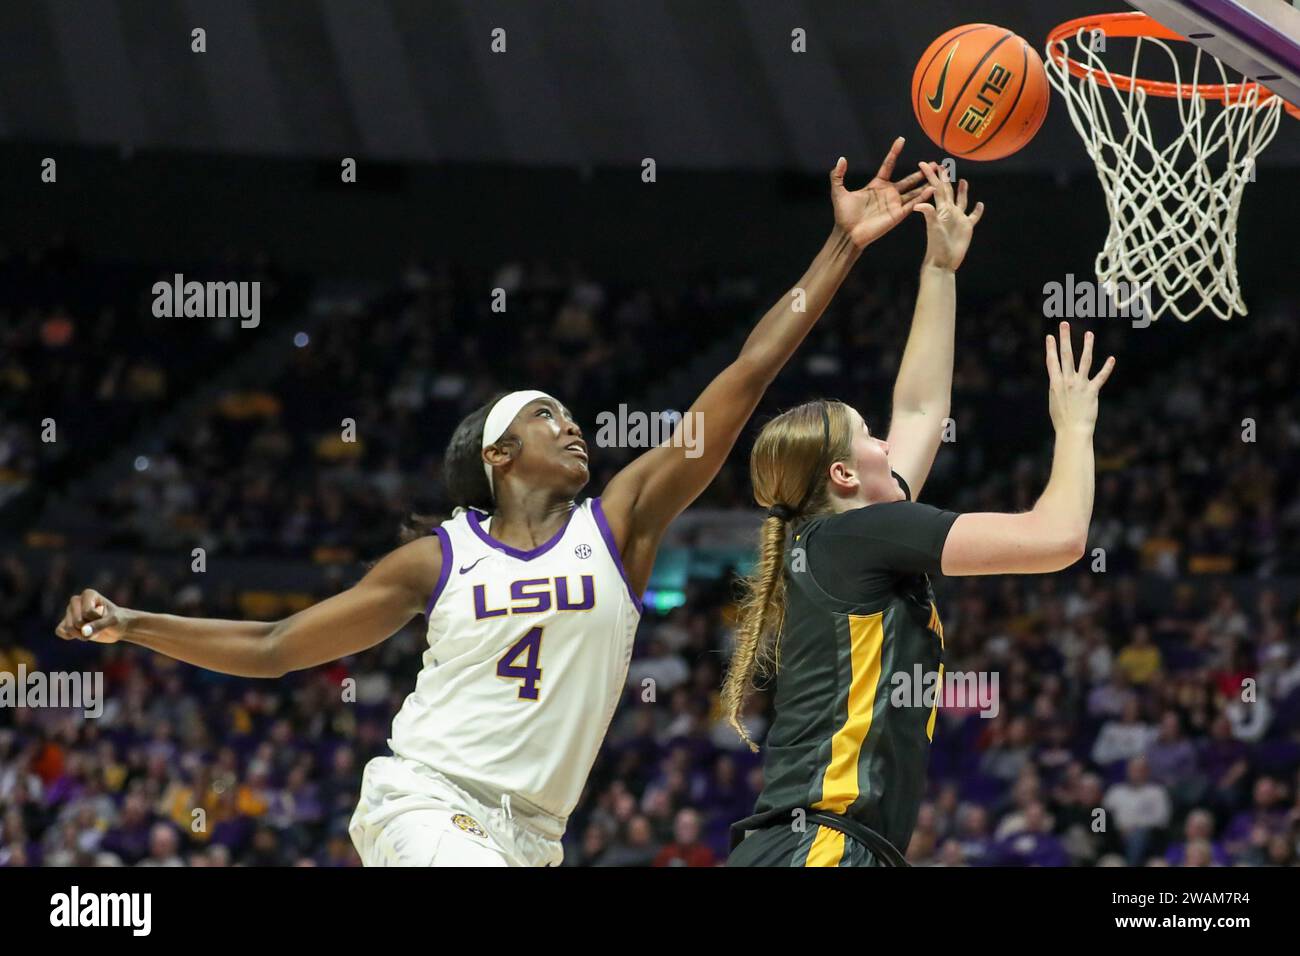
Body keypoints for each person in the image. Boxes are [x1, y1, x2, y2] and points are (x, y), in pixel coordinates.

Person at [56, 139, 936, 867]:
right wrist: (135, 623)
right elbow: (279, 644)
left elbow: (744, 376)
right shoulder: (436, 560)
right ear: (501, 453)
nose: (574, 425)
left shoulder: (619, 522)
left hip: (533, 838)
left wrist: (844, 245)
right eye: (548, 417)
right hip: (426, 802)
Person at [723, 162, 1116, 867]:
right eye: (868, 436)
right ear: (843, 475)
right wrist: (1077, 429)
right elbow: (1058, 539)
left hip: (809, 844)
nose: (886, 440)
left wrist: (940, 268)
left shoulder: (841, 538)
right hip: (819, 848)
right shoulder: (861, 533)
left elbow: (920, 409)